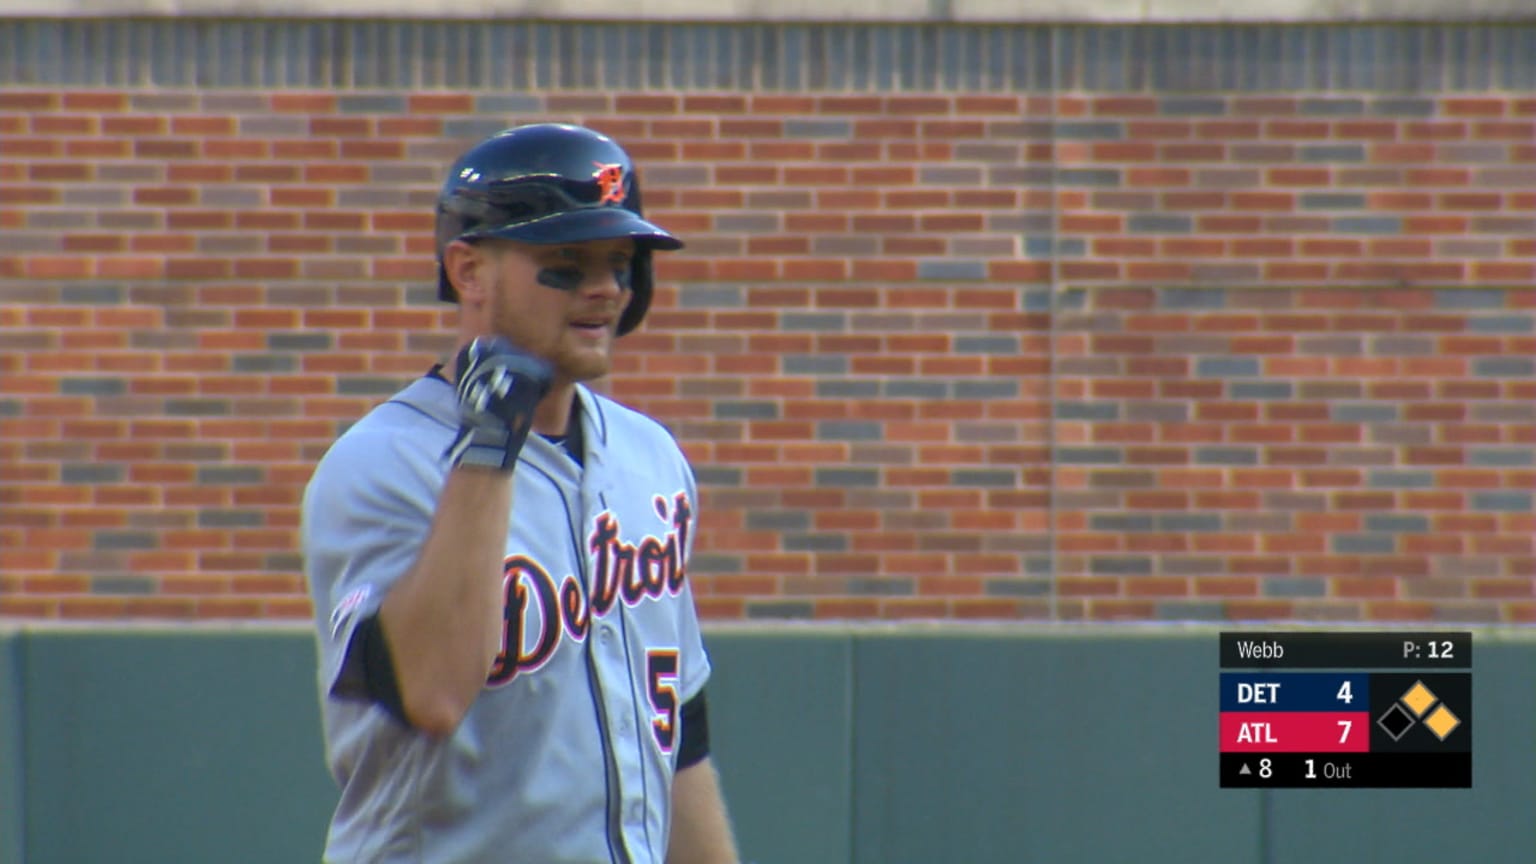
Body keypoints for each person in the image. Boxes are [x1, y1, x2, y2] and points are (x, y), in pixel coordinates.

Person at [301, 122, 740, 864]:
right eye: (566, 264)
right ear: (468, 271)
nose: (605, 288)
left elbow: (678, 737)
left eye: (620, 262)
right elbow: (431, 694)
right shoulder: (381, 463)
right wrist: (491, 442)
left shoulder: (651, 456)